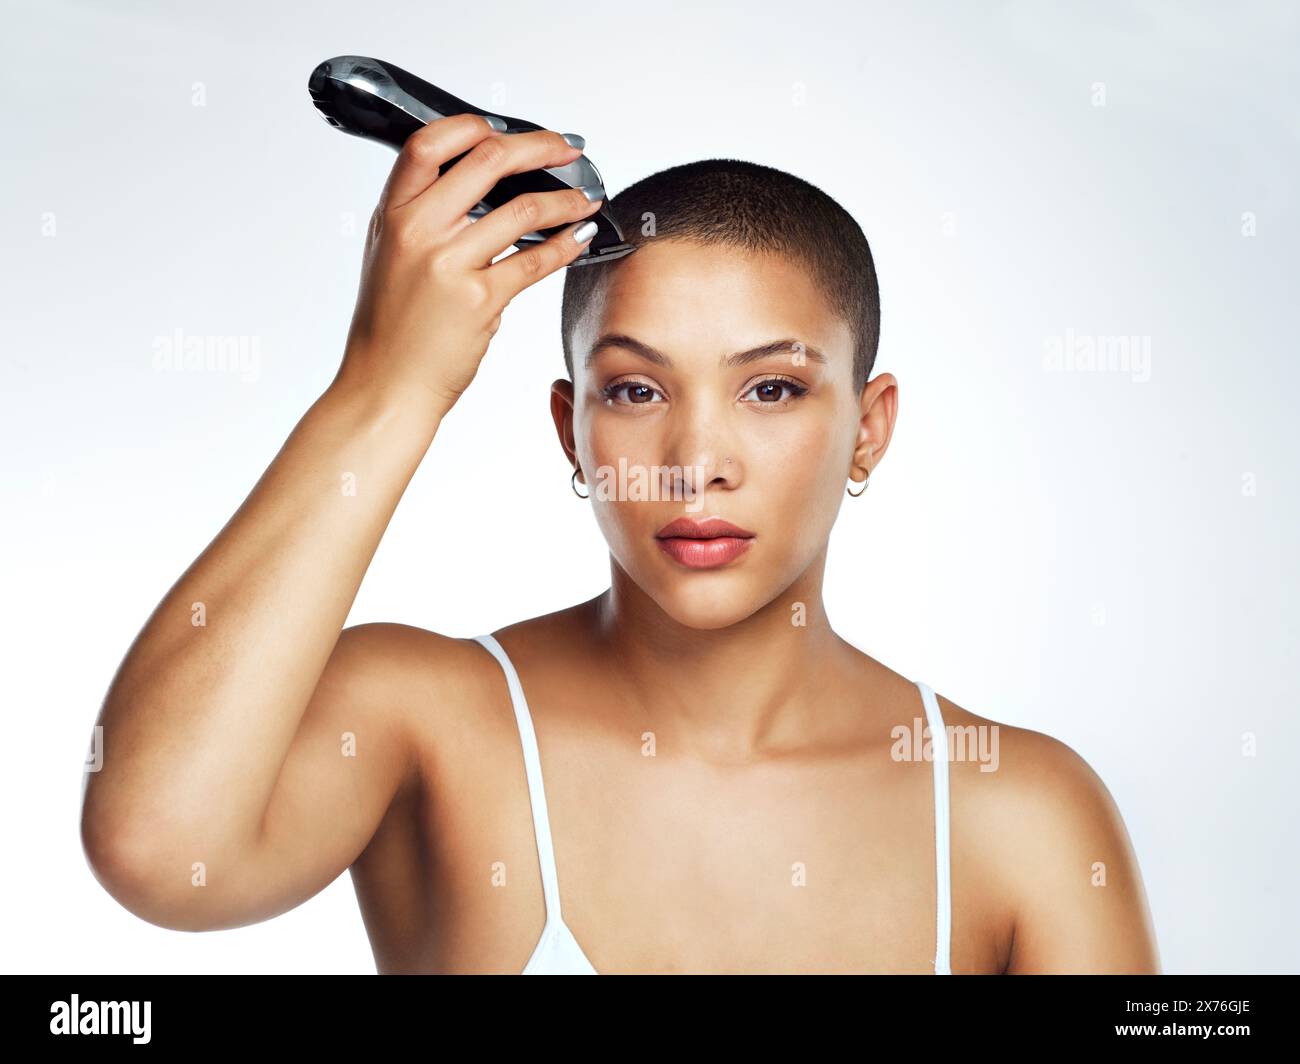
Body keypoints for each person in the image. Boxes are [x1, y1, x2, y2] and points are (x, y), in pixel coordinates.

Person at [80, 115, 1160, 974]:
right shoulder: (426, 722)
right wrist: (388, 383)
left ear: (866, 427)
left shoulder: (1020, 814)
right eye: (637, 389)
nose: (696, 459)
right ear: (572, 428)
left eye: (772, 388)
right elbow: (158, 848)